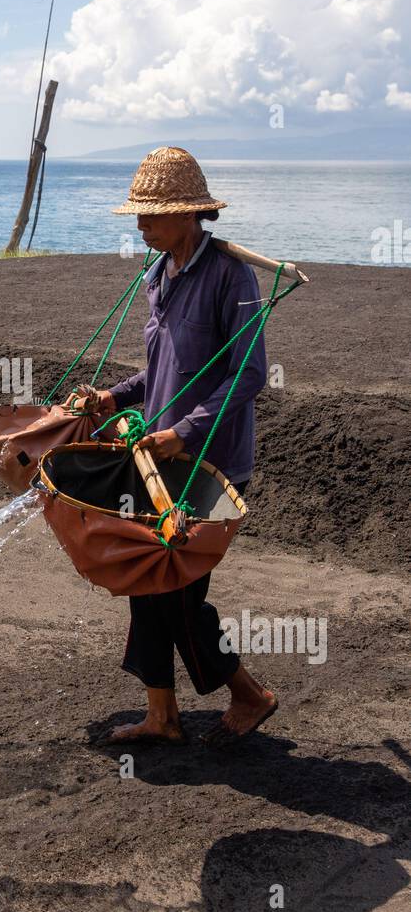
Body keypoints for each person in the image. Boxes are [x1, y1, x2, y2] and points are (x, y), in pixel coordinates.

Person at [80, 146, 277, 748]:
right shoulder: (158, 274)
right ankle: (161, 717)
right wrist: (115, 398)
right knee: (147, 584)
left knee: (182, 596)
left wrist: (185, 430)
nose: (140, 226)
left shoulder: (229, 276)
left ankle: (250, 695)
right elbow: (163, 370)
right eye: (138, 215)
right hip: (155, 458)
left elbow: (247, 373)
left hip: (210, 462)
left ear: (189, 214)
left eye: (151, 215)